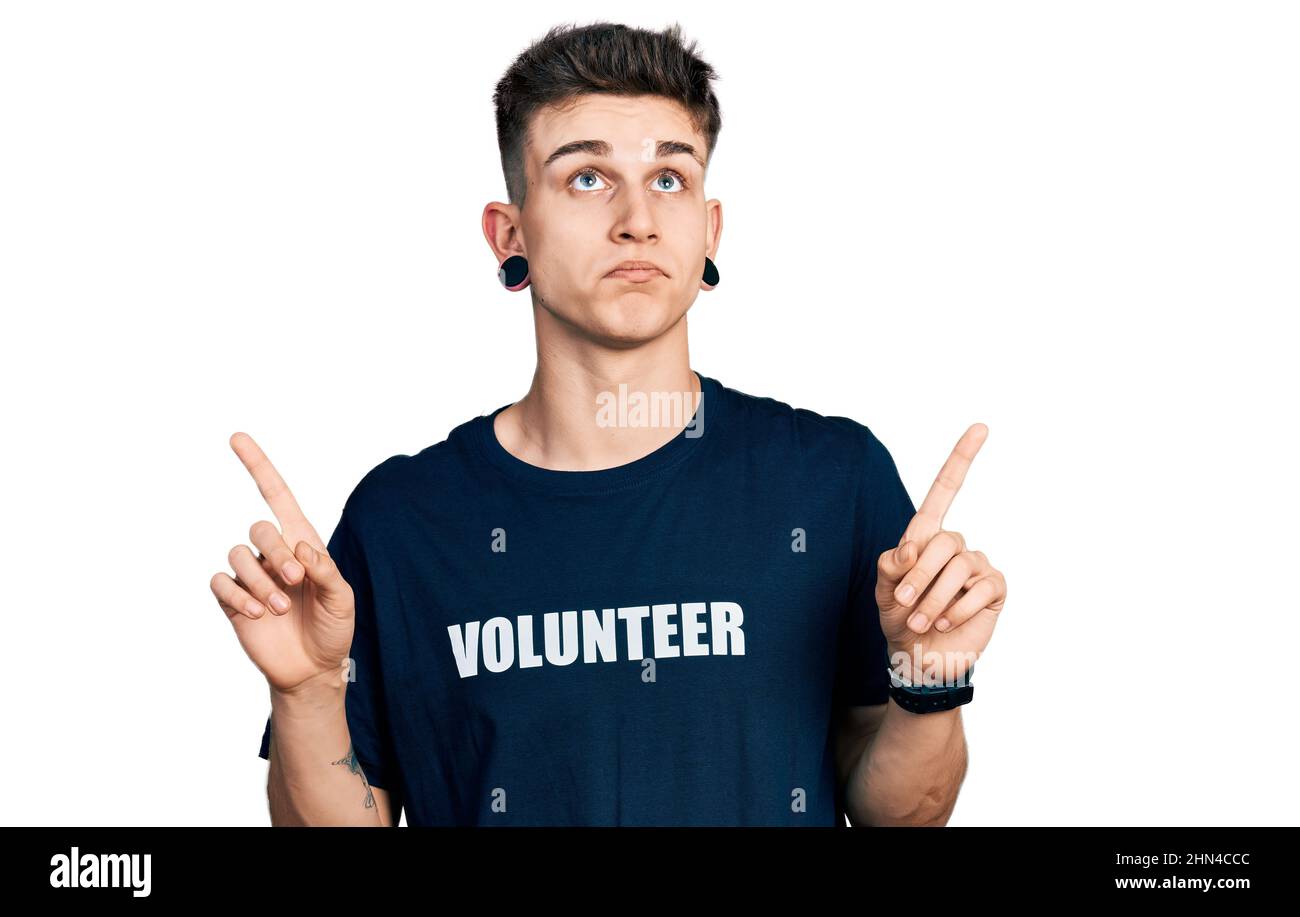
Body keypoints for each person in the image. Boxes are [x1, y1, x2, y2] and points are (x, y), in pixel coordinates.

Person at [211, 20, 1007, 827]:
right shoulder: (401, 523)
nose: (638, 219)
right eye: (587, 178)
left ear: (710, 230)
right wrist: (308, 696)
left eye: (670, 178)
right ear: (509, 234)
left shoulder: (833, 481)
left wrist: (930, 681)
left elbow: (903, 818)